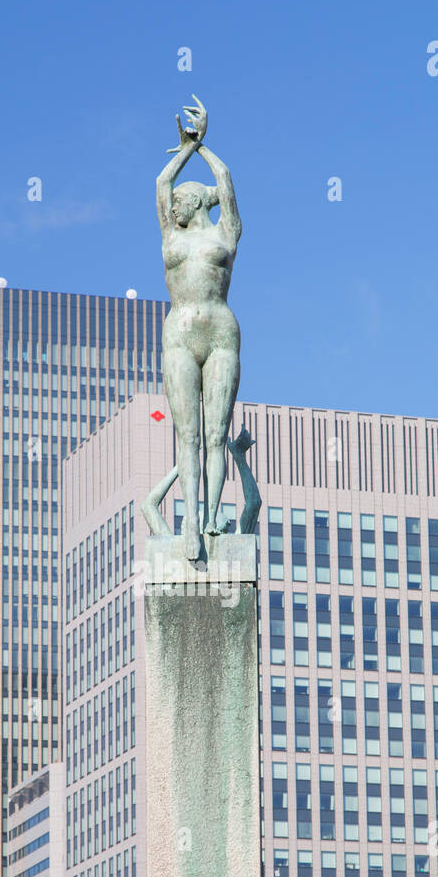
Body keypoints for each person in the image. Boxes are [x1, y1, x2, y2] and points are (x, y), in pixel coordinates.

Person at [156, 96, 242, 561]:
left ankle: (211, 518)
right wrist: (186, 146)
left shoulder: (224, 235)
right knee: (186, 434)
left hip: (220, 328)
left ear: (195, 201)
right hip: (180, 332)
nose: (173, 204)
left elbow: (226, 183)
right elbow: (160, 179)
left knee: (216, 434)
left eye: (181, 200)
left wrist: (206, 146)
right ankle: (190, 521)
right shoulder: (171, 237)